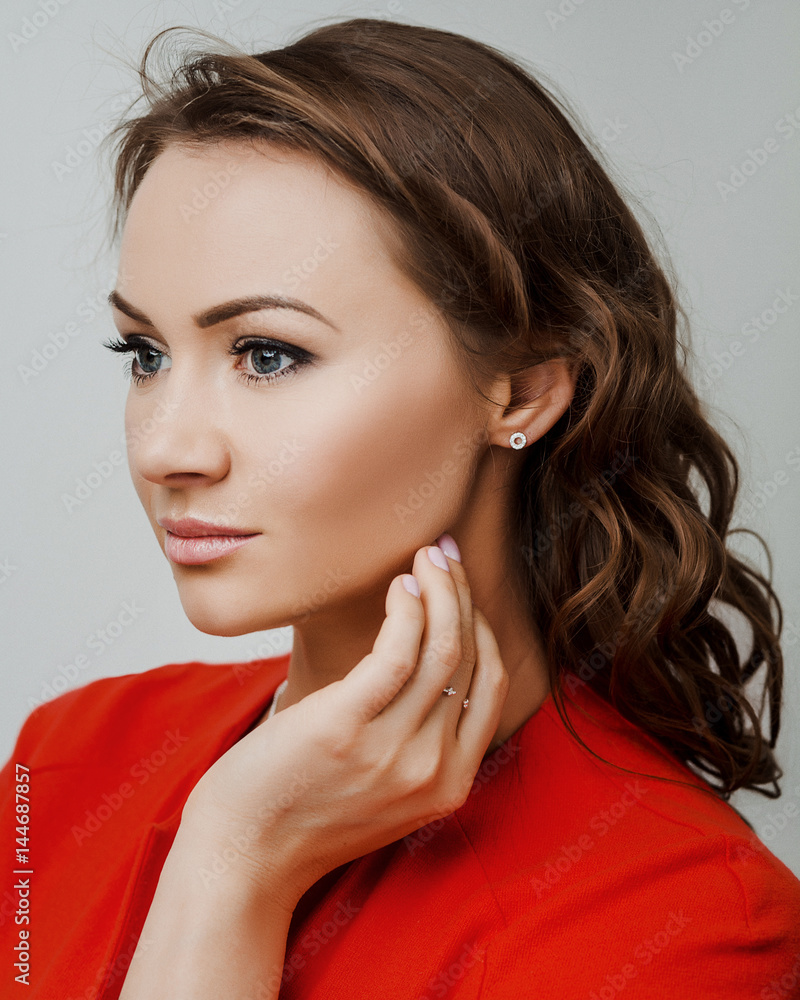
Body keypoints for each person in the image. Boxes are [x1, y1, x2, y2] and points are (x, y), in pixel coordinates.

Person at [2, 15, 799, 1000]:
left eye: (266, 353)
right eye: (146, 354)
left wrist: (234, 865)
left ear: (517, 391)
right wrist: (232, 849)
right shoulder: (73, 759)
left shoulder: (684, 918)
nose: (165, 447)